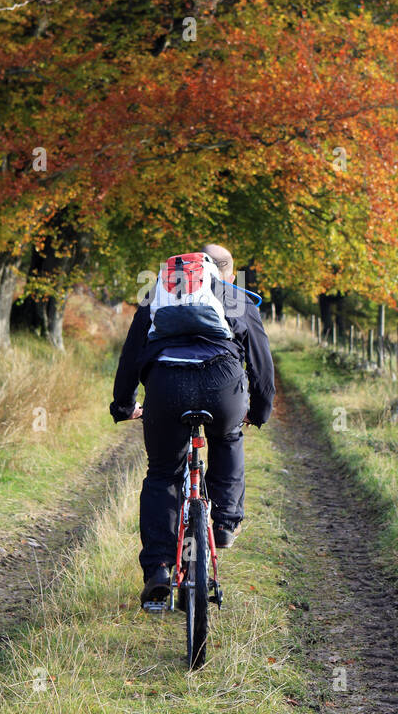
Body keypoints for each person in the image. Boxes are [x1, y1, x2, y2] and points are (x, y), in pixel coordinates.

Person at [110, 244, 276, 605]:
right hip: (222, 386)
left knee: (162, 474)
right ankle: (226, 522)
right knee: (228, 438)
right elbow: (262, 365)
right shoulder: (234, 296)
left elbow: (131, 356)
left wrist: (124, 405)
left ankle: (158, 569)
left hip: (166, 387)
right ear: (227, 274)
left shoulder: (158, 294)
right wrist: (259, 411)